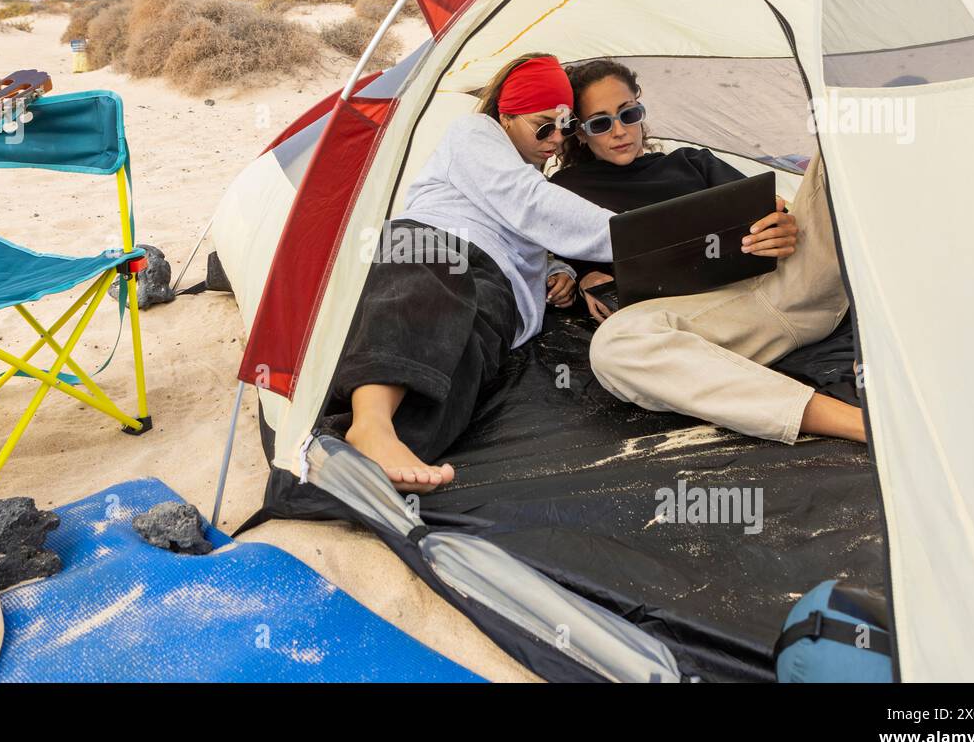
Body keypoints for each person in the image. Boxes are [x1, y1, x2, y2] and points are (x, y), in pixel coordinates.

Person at [325, 54, 615, 492]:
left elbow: (528, 228)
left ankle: (387, 444)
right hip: (437, 238)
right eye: (543, 124)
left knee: (469, 349)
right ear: (507, 115)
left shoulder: (533, 174)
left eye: (565, 126)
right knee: (427, 285)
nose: (556, 138)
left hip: (500, 280)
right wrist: (637, 236)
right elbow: (525, 203)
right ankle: (371, 425)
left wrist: (556, 269)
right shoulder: (474, 132)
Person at [552, 58, 865, 444]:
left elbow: (769, 210)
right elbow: (546, 252)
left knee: (850, 125)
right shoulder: (564, 190)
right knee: (613, 347)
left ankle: (891, 332)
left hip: (792, 286)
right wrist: (581, 275)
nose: (620, 131)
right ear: (580, 134)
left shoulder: (692, 162)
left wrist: (783, 226)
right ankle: (854, 423)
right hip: (706, 323)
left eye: (628, 114)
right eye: (600, 123)